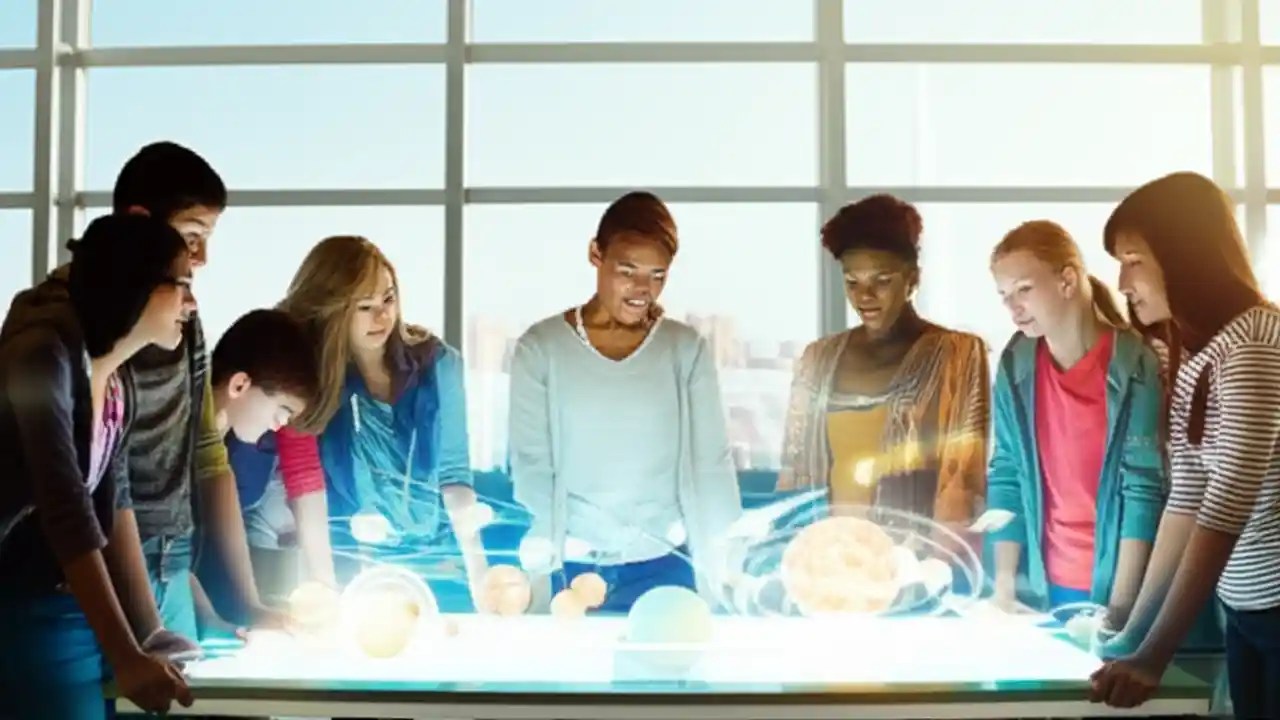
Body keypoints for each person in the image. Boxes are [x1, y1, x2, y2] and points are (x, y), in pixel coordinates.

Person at [1089, 172, 1279, 716]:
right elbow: (1187, 496)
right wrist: (1131, 637)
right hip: (1245, 610)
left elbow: (1227, 502)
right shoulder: (1199, 355)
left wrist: (1154, 654)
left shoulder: (1256, 342)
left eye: (1133, 259)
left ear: (1186, 256)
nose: (1122, 282)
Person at [508, 191, 743, 613]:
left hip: (666, 567)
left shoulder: (684, 348)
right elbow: (532, 466)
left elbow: (712, 462)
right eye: (628, 270)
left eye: (657, 274)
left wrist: (729, 568)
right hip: (573, 568)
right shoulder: (540, 348)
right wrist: (540, 570)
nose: (642, 289)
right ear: (595, 254)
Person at [0, 214, 196, 718]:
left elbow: (109, 503)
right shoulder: (40, 355)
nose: (191, 305)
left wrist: (144, 633)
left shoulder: (114, 380)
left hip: (55, 600)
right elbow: (66, 508)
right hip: (18, 606)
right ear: (138, 284)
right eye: (183, 286)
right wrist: (126, 655)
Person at [107, 141, 284, 646]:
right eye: (191, 236)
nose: (201, 258)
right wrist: (142, 630)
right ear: (140, 221)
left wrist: (250, 603)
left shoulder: (188, 323)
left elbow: (209, 456)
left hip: (172, 561)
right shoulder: (70, 326)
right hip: (92, 568)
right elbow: (97, 487)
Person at [260, 235, 487, 610]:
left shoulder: (439, 363)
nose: (382, 317)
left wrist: (479, 572)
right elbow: (305, 482)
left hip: (438, 564)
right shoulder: (309, 376)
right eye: (365, 306)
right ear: (332, 310)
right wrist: (324, 585)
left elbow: (455, 474)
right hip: (348, 565)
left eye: (389, 298)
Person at [986, 220, 1163, 618]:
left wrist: (1119, 610)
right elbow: (1007, 473)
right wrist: (1003, 590)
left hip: (1122, 592)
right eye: (1004, 296)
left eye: (1024, 290)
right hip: (1042, 592)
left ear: (1067, 281)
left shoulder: (1136, 364)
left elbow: (1143, 488)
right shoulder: (1015, 366)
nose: (1013, 308)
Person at [779, 194, 988, 527]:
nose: (865, 296)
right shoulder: (817, 358)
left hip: (913, 560)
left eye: (882, 281)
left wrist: (939, 569)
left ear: (912, 279)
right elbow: (795, 474)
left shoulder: (957, 354)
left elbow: (962, 477)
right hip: (830, 558)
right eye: (852, 282)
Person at [192, 309, 319, 633]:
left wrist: (254, 610)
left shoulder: (218, 449)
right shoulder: (177, 434)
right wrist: (211, 619)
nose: (279, 425)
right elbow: (163, 547)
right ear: (239, 385)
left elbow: (225, 519)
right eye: (282, 410)